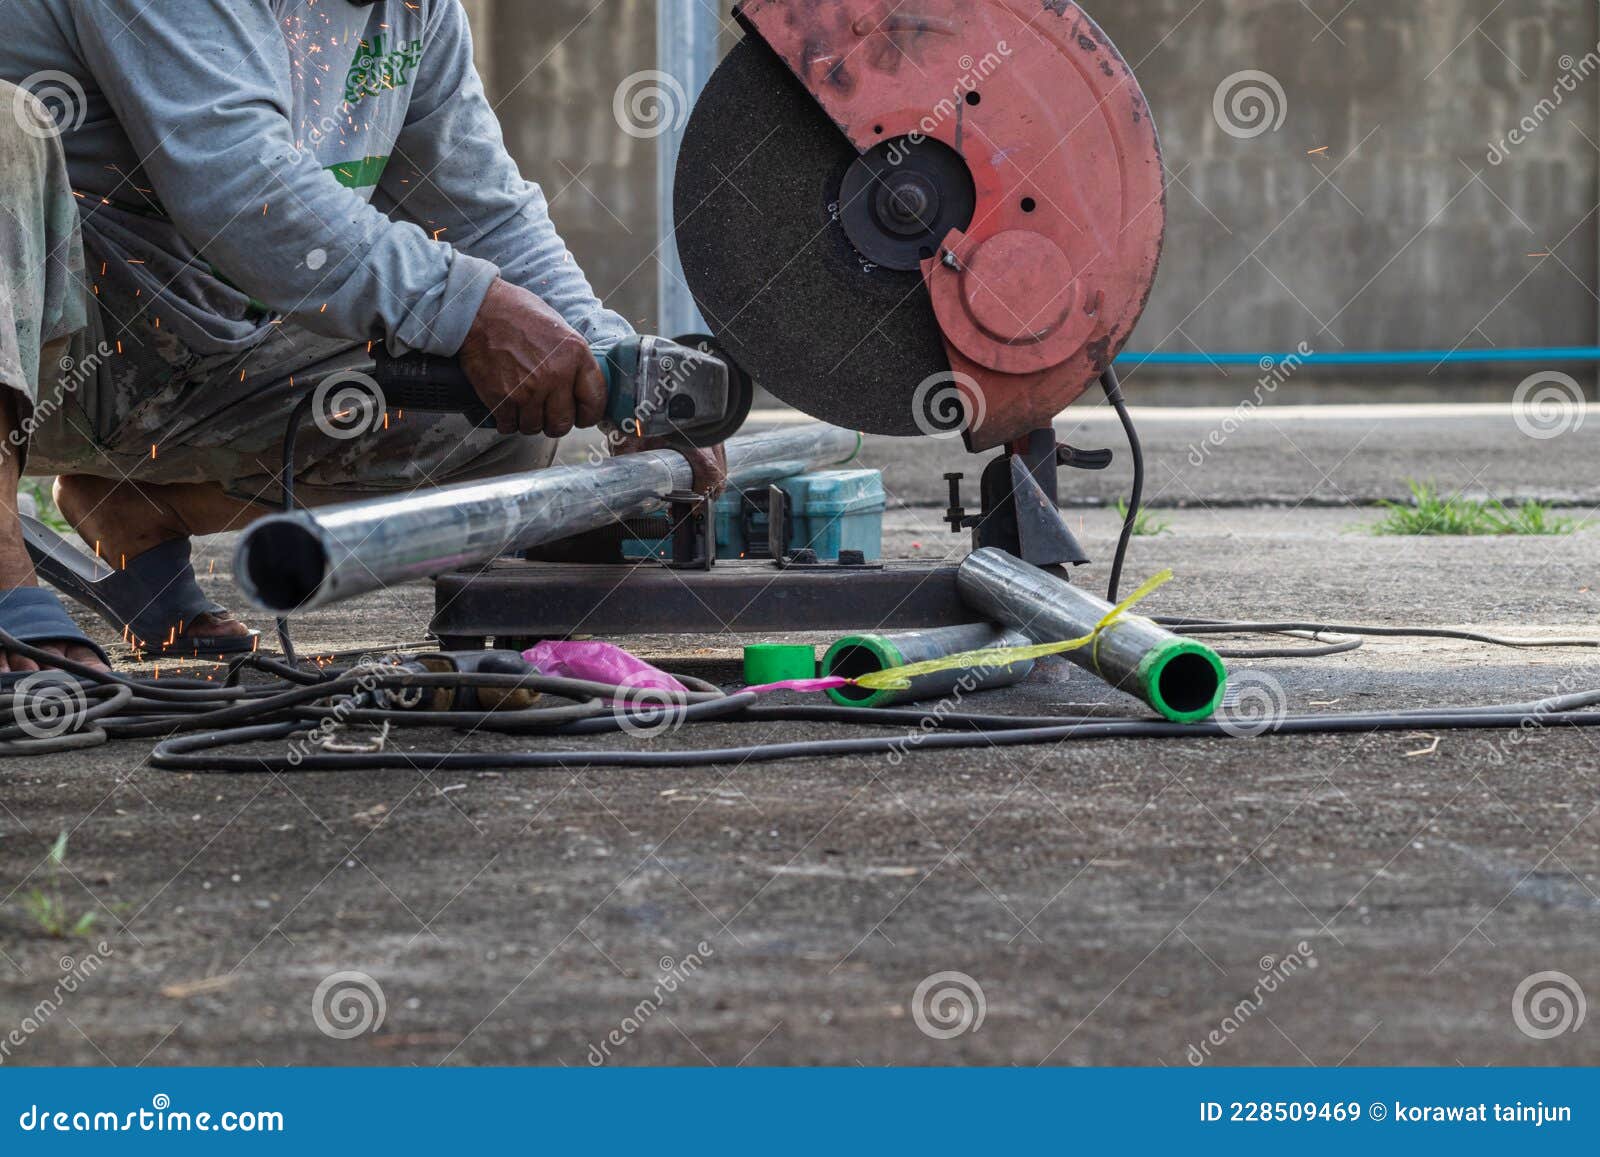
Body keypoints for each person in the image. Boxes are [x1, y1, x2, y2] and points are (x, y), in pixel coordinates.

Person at [0, 0, 723, 673]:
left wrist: (615, 365)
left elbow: (486, 215)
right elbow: (244, 190)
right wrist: (470, 309)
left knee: (509, 424)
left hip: (186, 361)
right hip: (37, 349)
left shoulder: (412, 11)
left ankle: (142, 504)